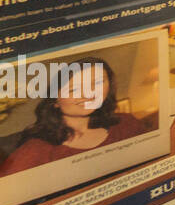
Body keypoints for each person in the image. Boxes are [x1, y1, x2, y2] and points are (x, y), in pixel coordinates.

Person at [0, 57, 149, 176]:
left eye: (97, 83)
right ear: (55, 101)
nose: (89, 94)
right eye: (74, 89)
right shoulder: (35, 150)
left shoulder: (128, 124)